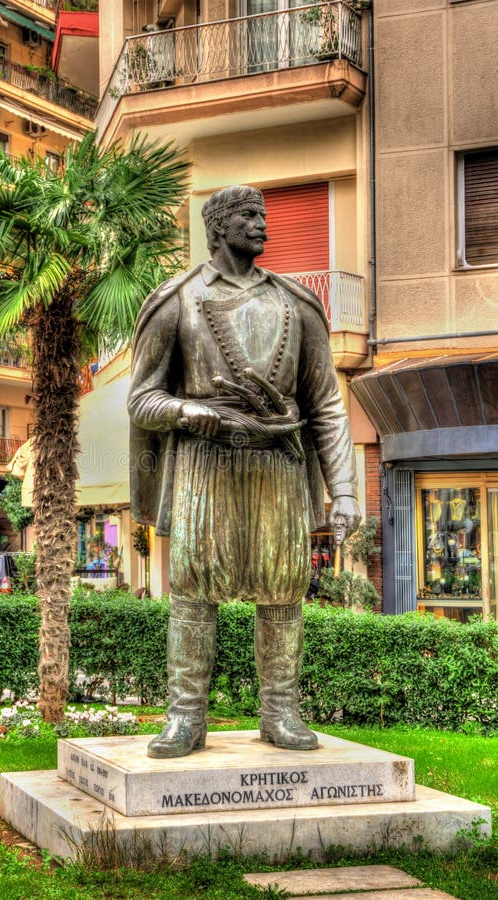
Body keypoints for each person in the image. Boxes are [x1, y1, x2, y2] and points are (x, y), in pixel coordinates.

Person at [128, 185, 361, 758]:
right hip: (205, 463)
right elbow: (141, 400)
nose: (262, 224)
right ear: (217, 227)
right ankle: (185, 718)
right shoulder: (178, 300)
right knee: (193, 590)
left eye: (263, 214)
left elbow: (327, 405)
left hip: (279, 464)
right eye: (248, 216)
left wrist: (345, 490)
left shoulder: (296, 304)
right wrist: (190, 412)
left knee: (283, 589)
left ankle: (281, 712)